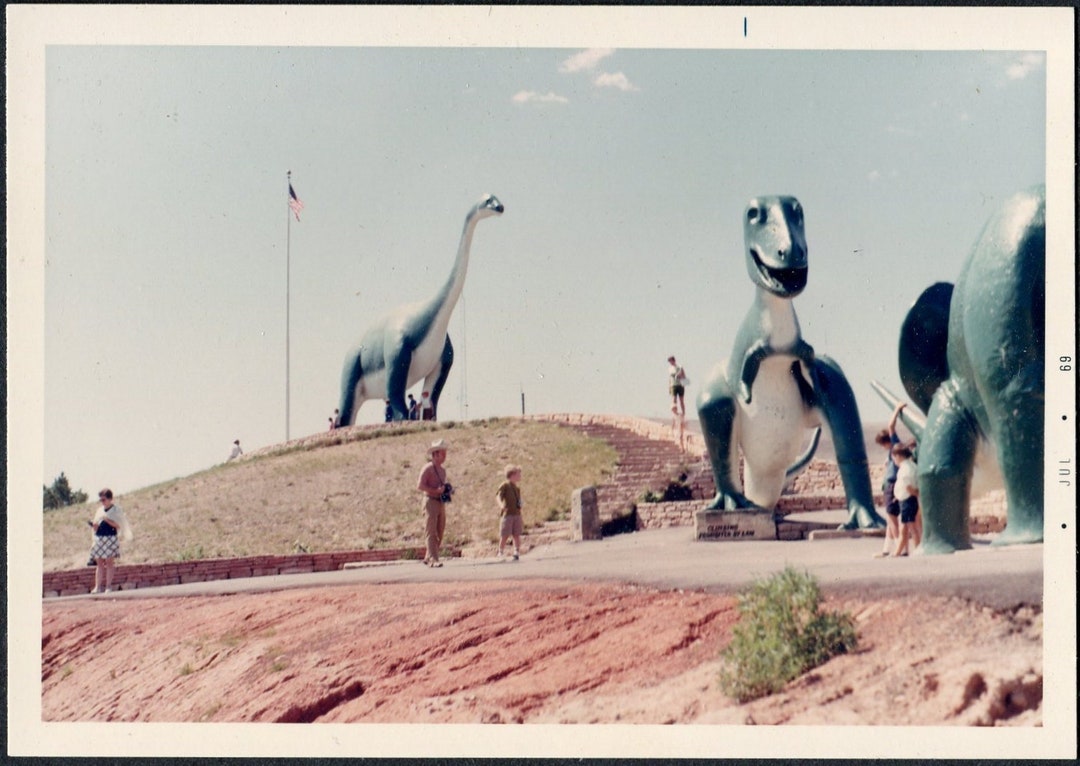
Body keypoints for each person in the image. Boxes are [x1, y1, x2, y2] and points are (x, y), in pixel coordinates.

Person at [873, 402, 905, 557]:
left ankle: (900, 547)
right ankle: (887, 548)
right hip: (892, 483)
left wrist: (897, 409)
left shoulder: (894, 444)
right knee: (889, 518)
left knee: (891, 517)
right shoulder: (894, 453)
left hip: (892, 484)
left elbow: (891, 425)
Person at [416, 439, 452, 567]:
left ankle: (429, 556)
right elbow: (420, 485)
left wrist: (446, 490)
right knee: (431, 531)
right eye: (443, 453)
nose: (445, 456)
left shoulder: (442, 471)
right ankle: (433, 559)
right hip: (430, 501)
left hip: (440, 502)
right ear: (436, 454)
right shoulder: (428, 468)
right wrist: (434, 490)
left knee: (440, 531)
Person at [89, 488, 132, 593]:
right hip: (99, 537)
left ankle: (108, 586)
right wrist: (94, 526)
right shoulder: (99, 510)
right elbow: (96, 526)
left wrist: (107, 519)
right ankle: (97, 587)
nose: (102, 502)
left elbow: (119, 525)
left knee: (109, 563)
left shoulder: (117, 510)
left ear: (110, 499)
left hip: (111, 537)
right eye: (101, 500)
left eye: (104, 500)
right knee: (99, 563)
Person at [892, 445, 921, 556]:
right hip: (906, 499)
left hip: (907, 499)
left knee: (911, 526)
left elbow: (908, 487)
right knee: (903, 527)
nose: (894, 460)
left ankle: (918, 548)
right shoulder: (912, 466)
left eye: (894, 457)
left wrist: (914, 494)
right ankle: (897, 552)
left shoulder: (905, 469)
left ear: (898, 456)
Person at [496, 465, 524, 560]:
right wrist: (501, 505)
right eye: (518, 474)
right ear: (512, 475)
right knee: (505, 534)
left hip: (516, 513)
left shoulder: (517, 488)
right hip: (507, 514)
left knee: (516, 533)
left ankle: (516, 551)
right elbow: (498, 496)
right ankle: (500, 551)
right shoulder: (505, 485)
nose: (520, 476)